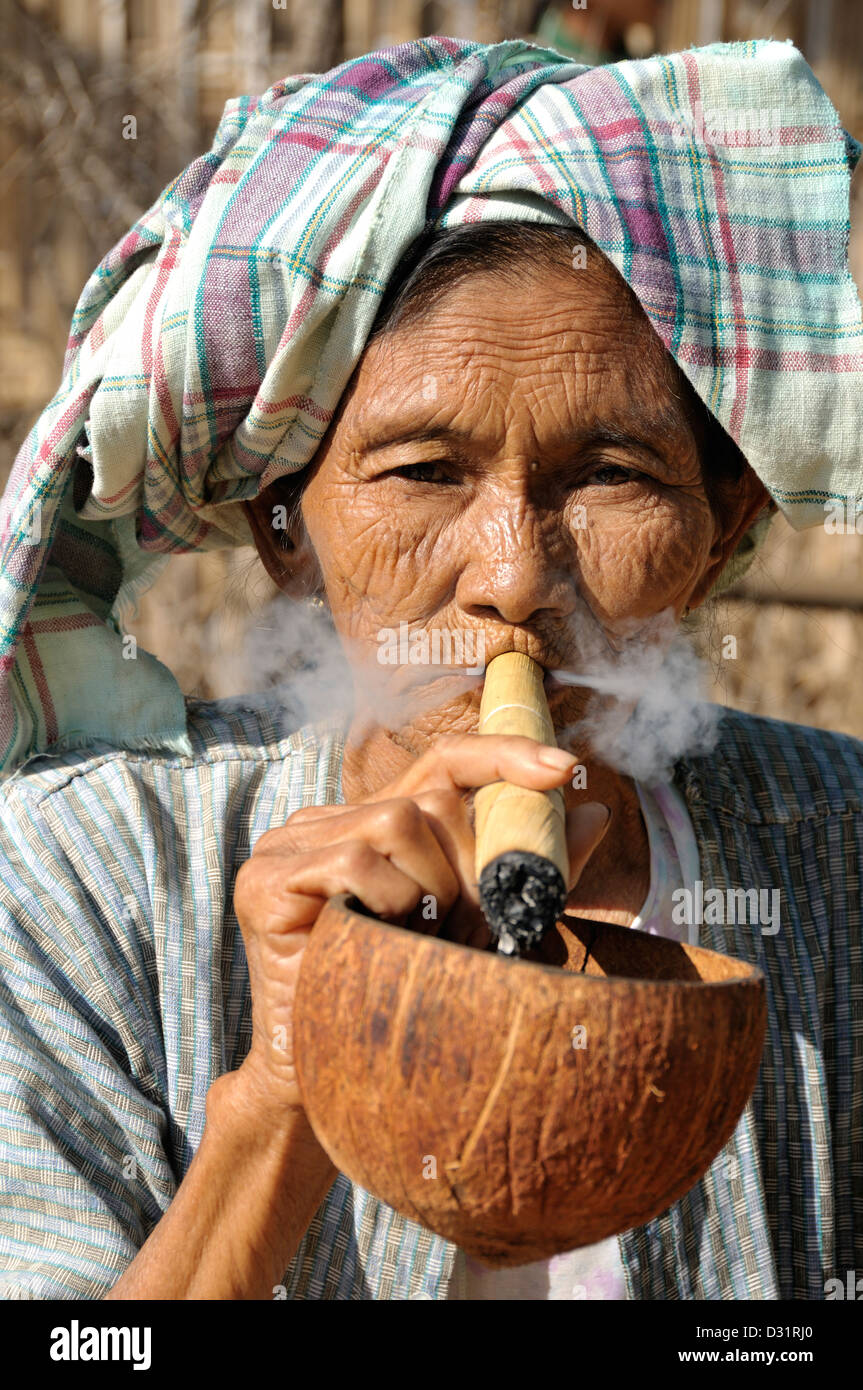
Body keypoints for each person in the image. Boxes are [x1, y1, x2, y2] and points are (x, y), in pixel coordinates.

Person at [0, 35, 861, 1301]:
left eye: (612, 475)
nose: (512, 575)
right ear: (282, 530)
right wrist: (279, 1094)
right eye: (421, 471)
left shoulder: (840, 859)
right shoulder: (88, 878)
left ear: (720, 528)